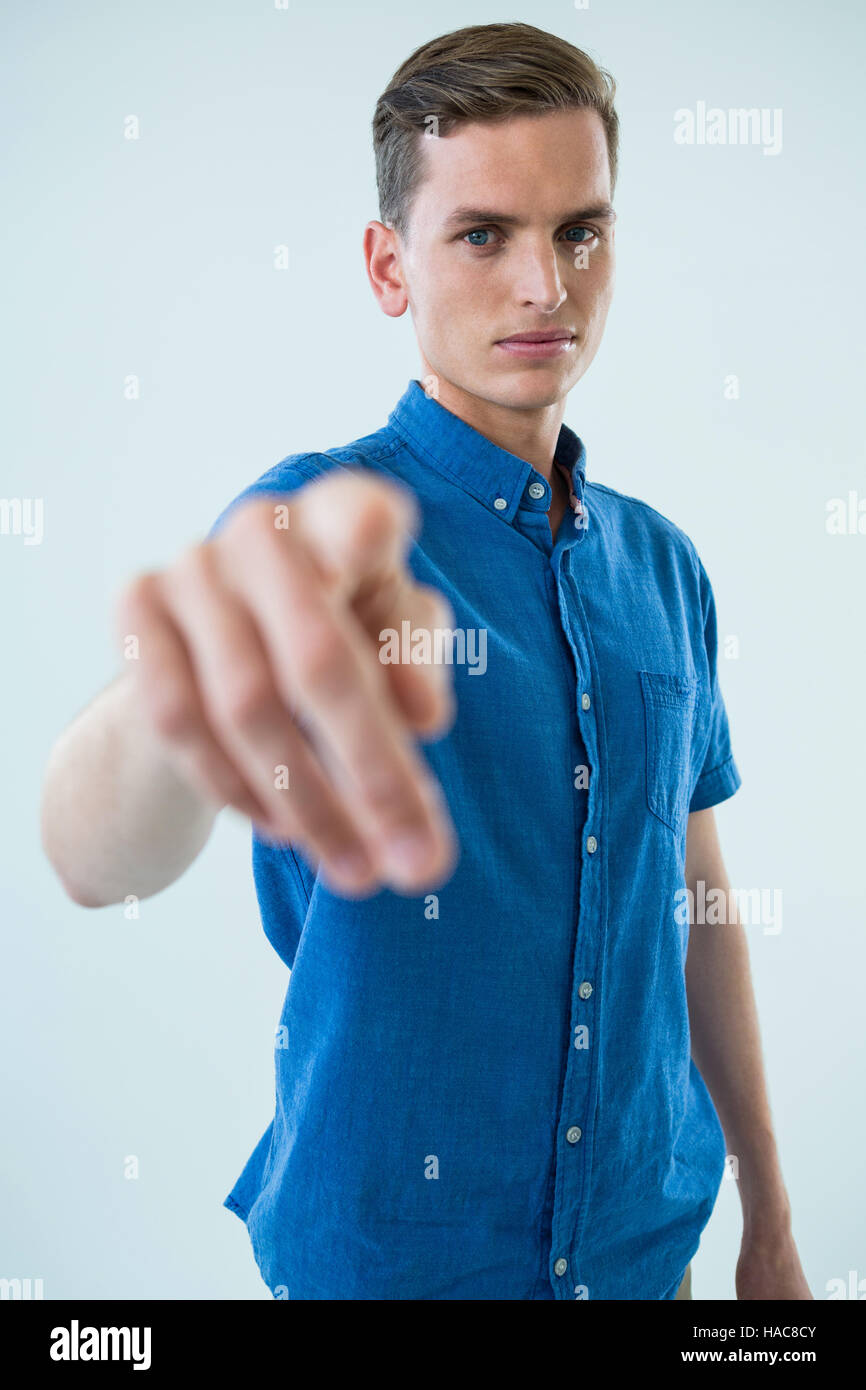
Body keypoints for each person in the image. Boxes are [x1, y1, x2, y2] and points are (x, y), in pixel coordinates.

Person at [41, 21, 811, 1300]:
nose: (544, 285)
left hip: (640, 1258)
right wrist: (176, 700)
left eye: (579, 230)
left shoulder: (664, 569)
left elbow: (701, 907)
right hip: (388, 1270)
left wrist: (771, 1221)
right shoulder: (311, 529)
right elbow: (92, 846)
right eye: (481, 234)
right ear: (387, 266)